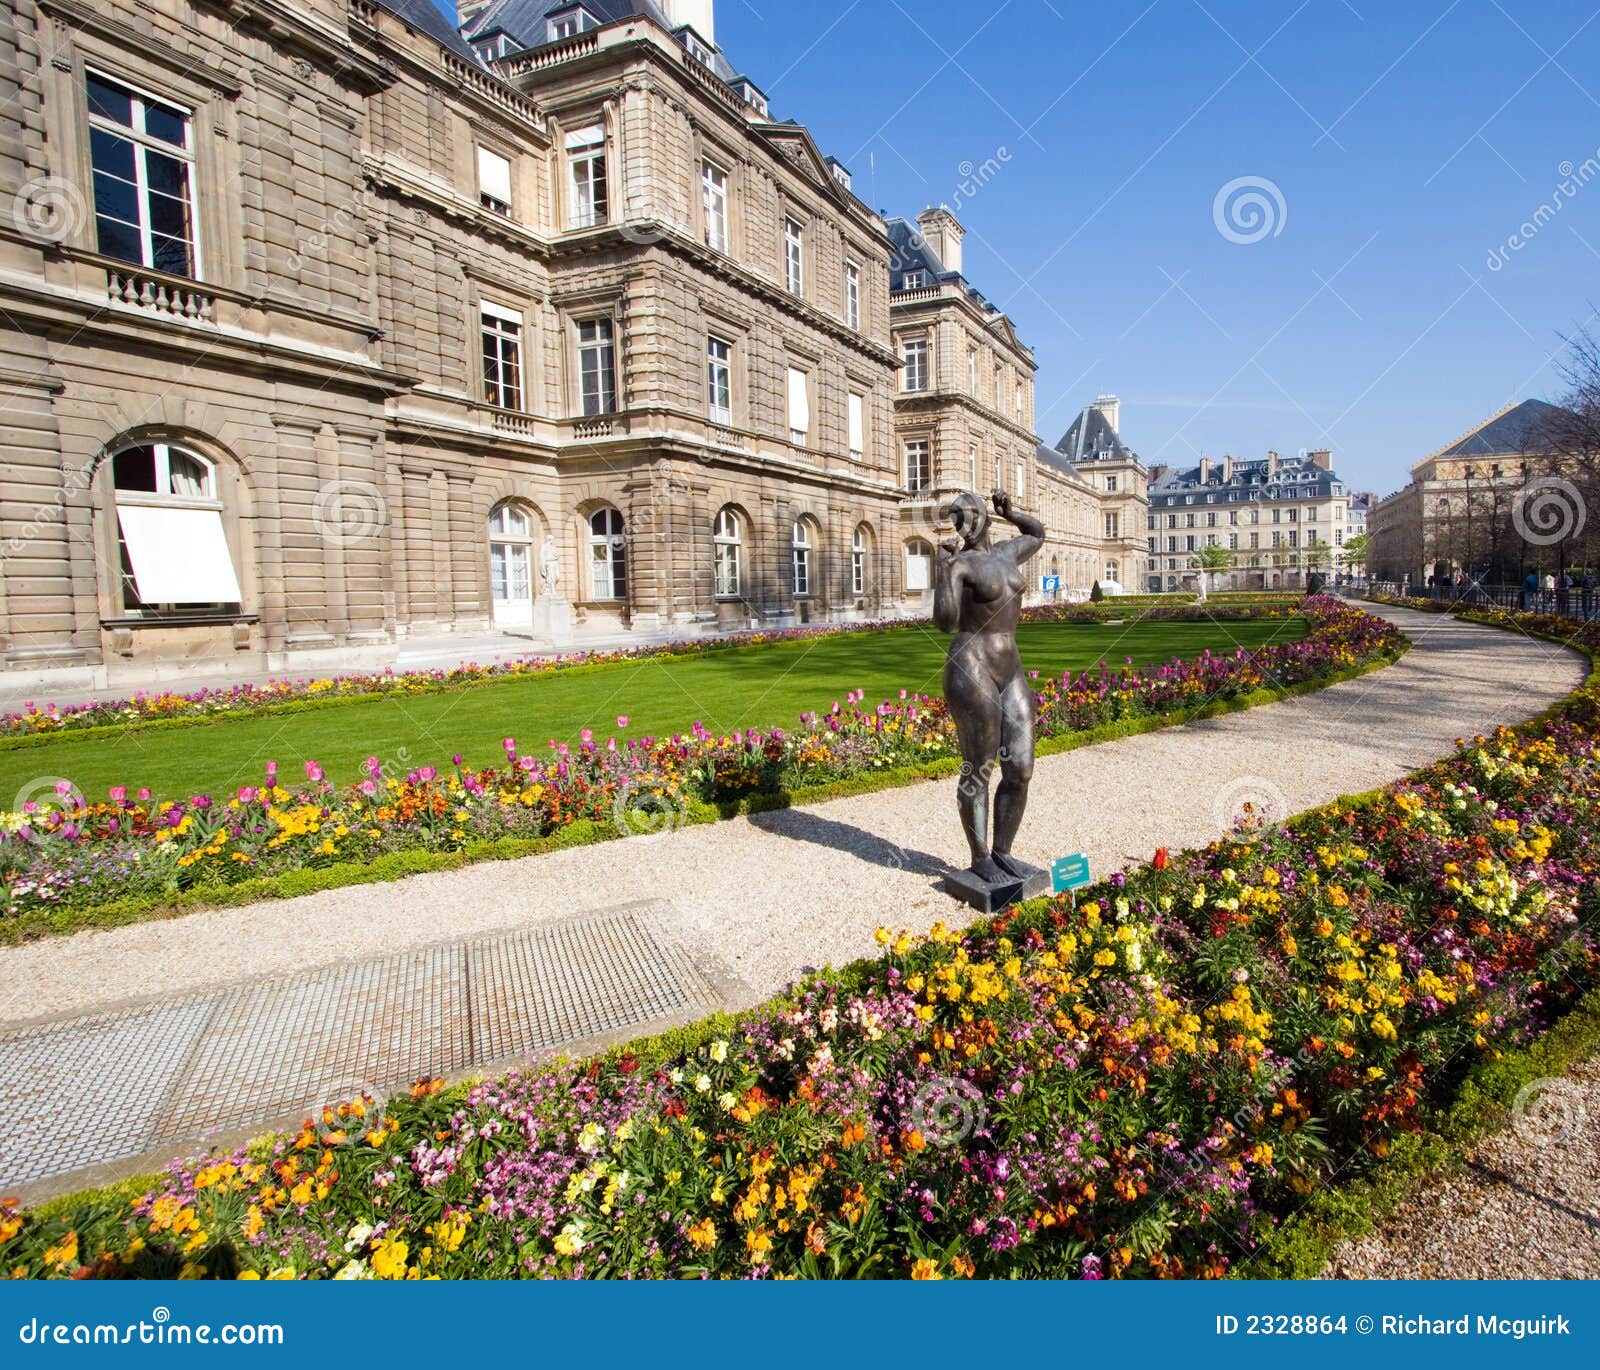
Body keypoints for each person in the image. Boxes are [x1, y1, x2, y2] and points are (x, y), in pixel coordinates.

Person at [934, 489, 1044, 886]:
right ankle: (980, 856)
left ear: (986, 516)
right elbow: (945, 622)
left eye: (971, 513)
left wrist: (1013, 511)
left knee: (1021, 767)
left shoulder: (1007, 553)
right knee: (979, 766)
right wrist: (944, 571)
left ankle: (1003, 851)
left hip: (1009, 665)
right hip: (971, 662)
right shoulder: (959, 564)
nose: (966, 521)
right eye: (959, 517)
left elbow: (1037, 534)